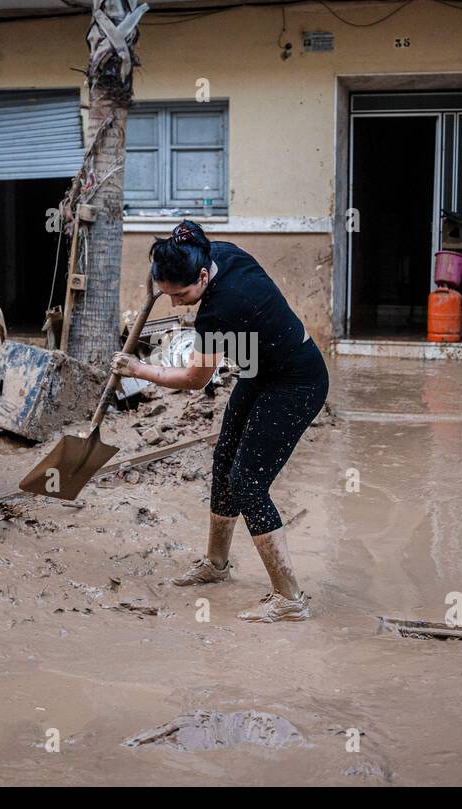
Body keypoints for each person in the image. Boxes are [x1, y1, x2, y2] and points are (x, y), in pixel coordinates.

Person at [111, 221, 329, 623]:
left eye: (181, 295)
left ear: (203, 276)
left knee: (247, 482)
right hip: (260, 370)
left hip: (298, 382)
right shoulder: (220, 252)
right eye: (167, 294)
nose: (175, 304)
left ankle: (289, 599)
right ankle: (216, 564)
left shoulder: (219, 311)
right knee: (224, 459)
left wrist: (139, 369)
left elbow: (194, 381)